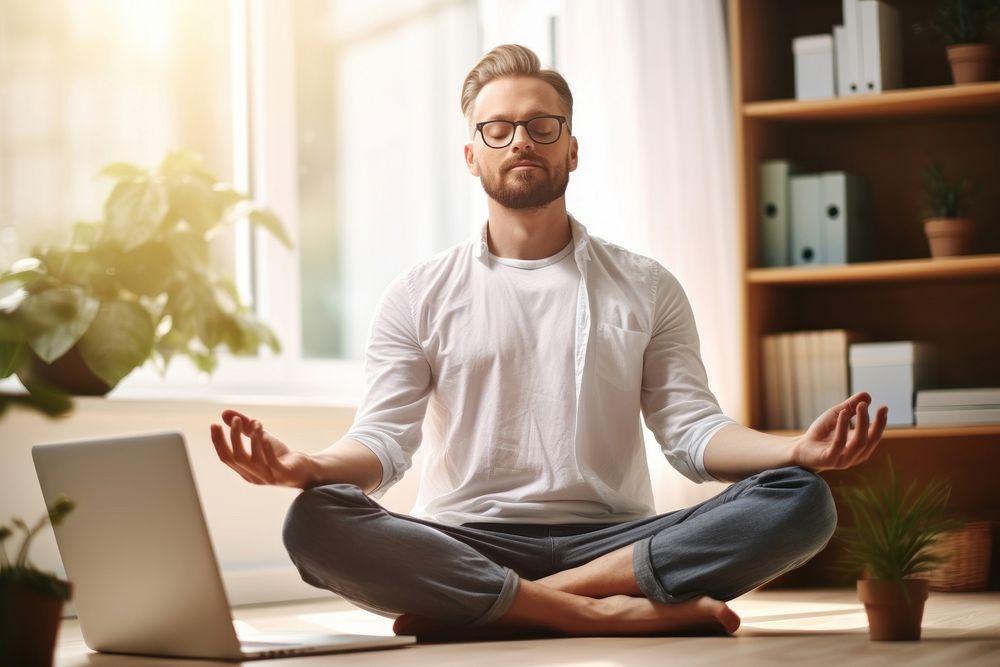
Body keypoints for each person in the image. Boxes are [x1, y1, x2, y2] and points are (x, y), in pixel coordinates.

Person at [210, 44, 888, 639]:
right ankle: (599, 612)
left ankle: (518, 606)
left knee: (800, 500)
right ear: (472, 155)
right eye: (498, 129)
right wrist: (307, 465)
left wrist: (797, 449)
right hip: (463, 537)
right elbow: (383, 445)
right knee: (314, 520)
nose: (520, 142)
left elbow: (692, 432)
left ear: (571, 147)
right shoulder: (417, 292)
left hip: (614, 538)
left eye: (541, 126)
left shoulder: (646, 285)